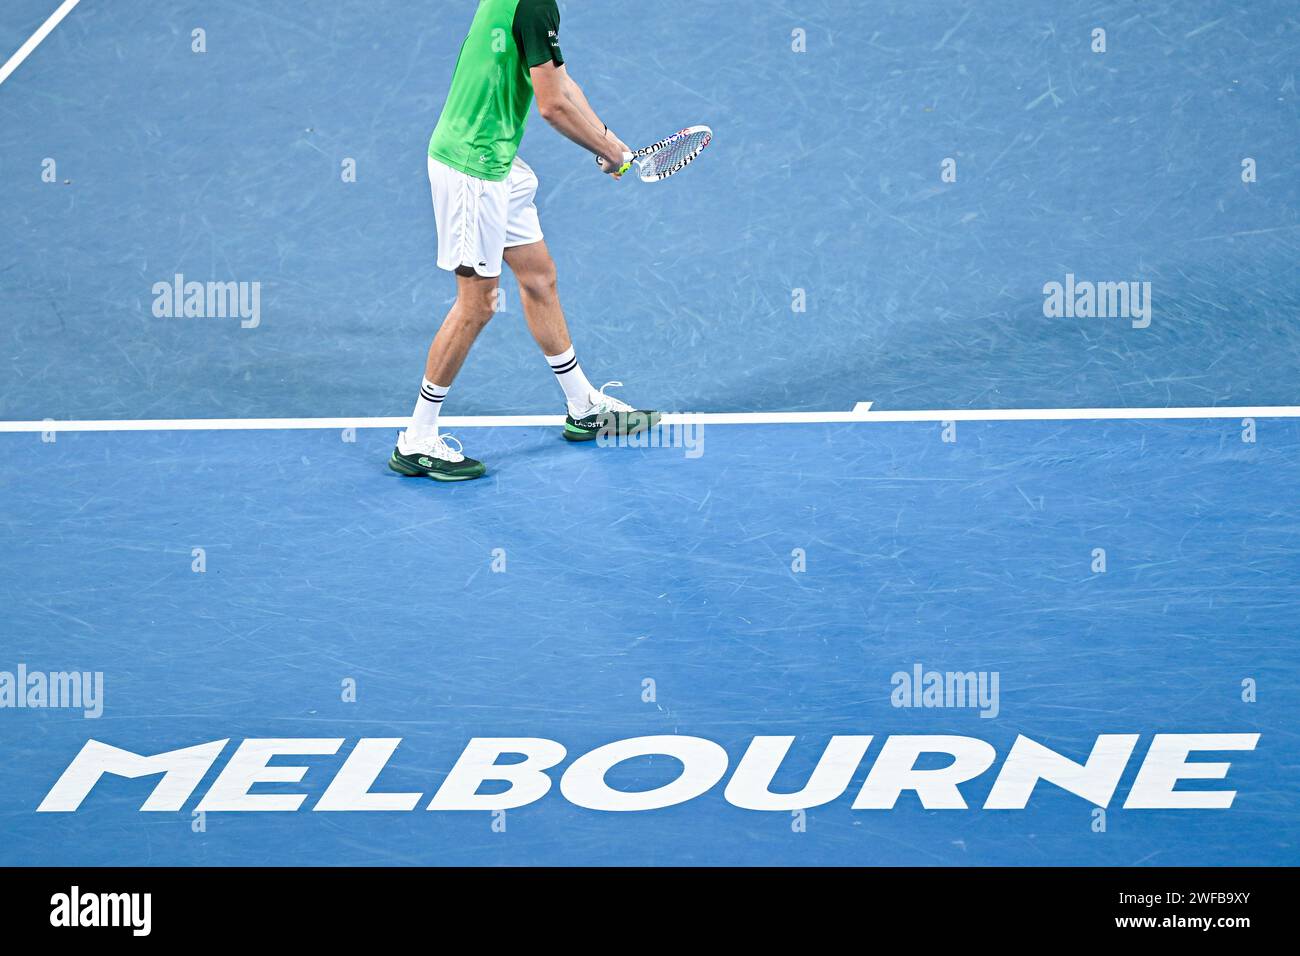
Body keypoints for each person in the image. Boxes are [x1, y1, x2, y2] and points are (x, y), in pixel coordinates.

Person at [389, 0, 659, 482]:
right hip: (472, 169)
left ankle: (583, 406)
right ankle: (417, 438)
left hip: (499, 165)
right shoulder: (534, 5)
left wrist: (607, 137)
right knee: (478, 304)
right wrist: (604, 151)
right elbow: (551, 105)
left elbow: (559, 80)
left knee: (539, 279)